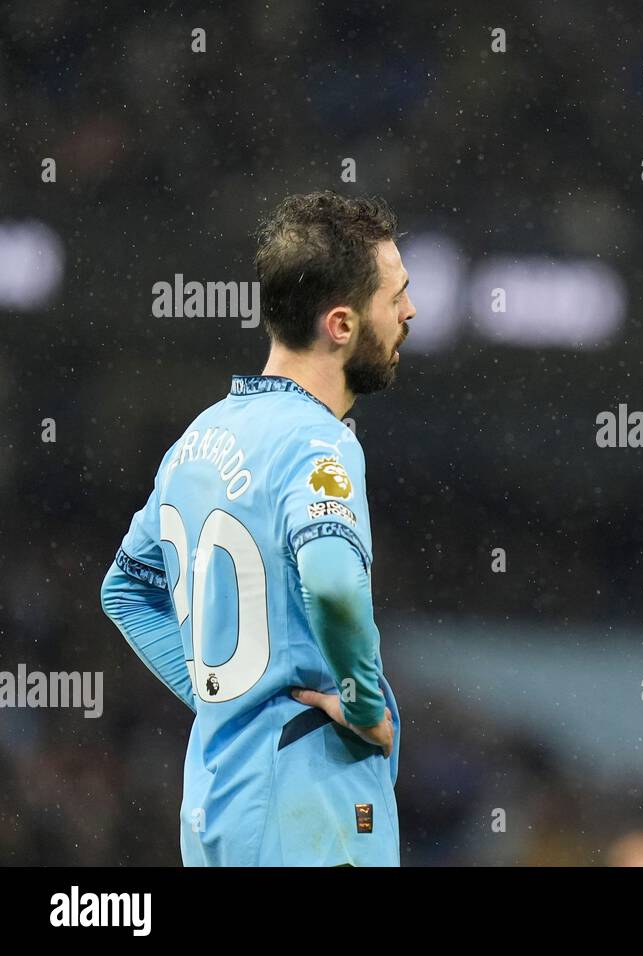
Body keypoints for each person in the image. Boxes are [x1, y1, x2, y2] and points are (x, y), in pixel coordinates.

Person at [100, 191, 415, 865]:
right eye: (397, 298)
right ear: (341, 323)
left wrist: (225, 698)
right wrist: (361, 703)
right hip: (308, 800)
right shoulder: (318, 445)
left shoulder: (196, 441)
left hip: (218, 800)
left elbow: (125, 590)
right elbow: (332, 583)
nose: (409, 314)